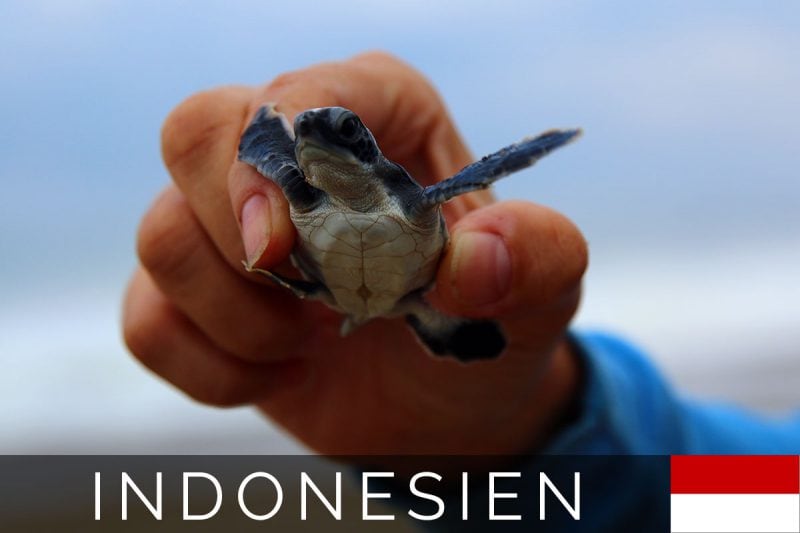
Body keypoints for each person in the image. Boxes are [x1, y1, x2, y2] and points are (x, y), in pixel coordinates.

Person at [122, 50, 799, 527]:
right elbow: (729, 501)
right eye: (306, 146)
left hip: (404, 294)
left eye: (342, 134)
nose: (316, 148)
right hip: (348, 304)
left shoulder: (412, 200)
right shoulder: (772, 501)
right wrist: (516, 443)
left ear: (363, 149)